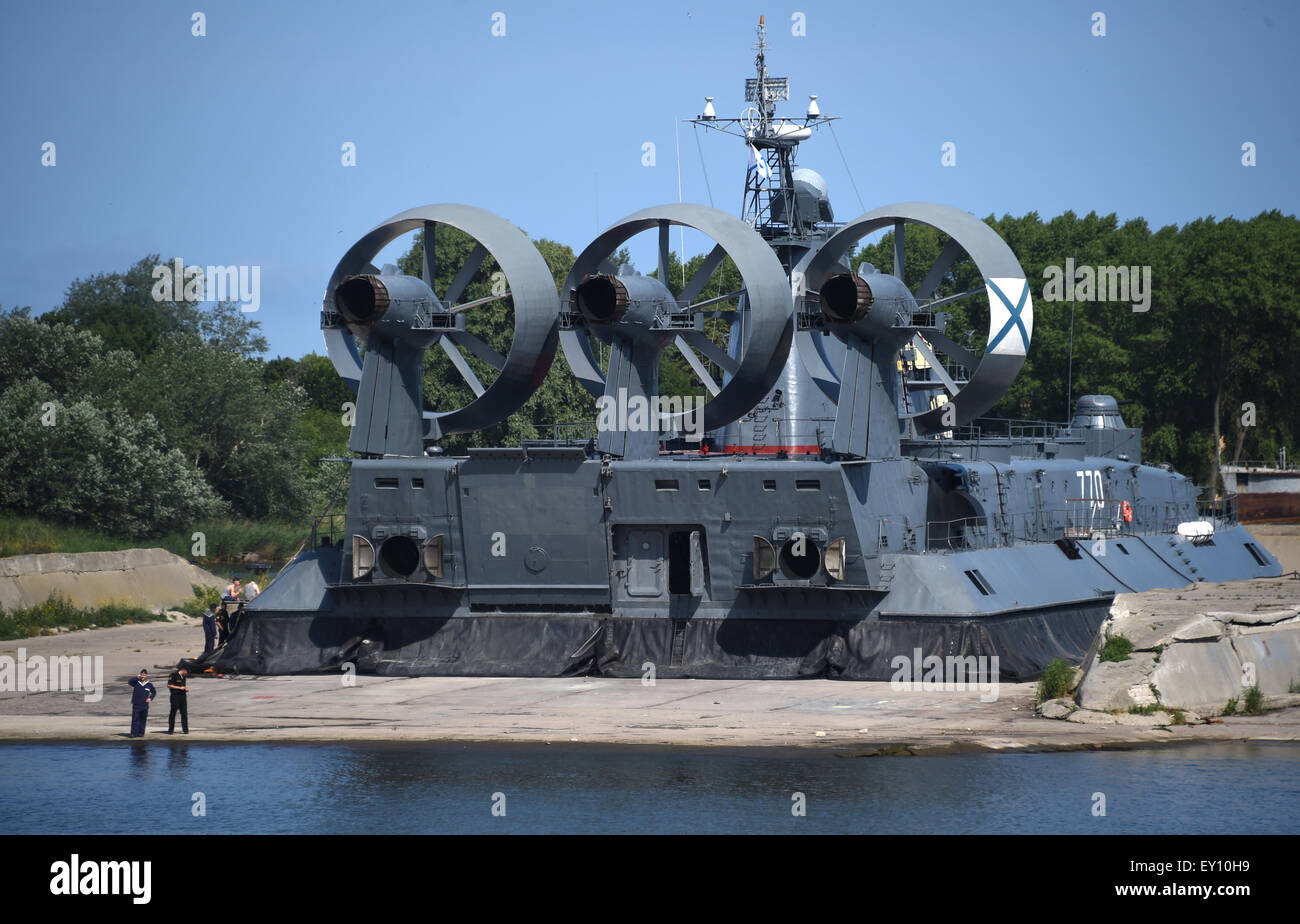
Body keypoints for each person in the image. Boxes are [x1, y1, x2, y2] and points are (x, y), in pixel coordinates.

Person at [128, 669, 155, 737]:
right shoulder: (136, 682)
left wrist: (150, 698)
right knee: (135, 719)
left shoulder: (149, 684)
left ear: (146, 676)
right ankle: (133, 733)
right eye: (142, 674)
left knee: (143, 720)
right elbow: (129, 682)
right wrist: (137, 677)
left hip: (144, 705)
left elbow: (154, 692)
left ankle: (141, 733)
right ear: (140, 675)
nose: (143, 676)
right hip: (136, 704)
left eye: (144, 675)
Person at [166, 667, 189, 734]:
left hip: (183, 696)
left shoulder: (183, 677)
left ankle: (185, 730)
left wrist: (185, 689)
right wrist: (179, 688)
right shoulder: (173, 675)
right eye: (186, 672)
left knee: (184, 714)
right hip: (175, 697)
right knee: (173, 713)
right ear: (183, 670)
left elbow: (183, 686)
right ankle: (171, 730)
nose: (187, 674)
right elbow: (169, 685)